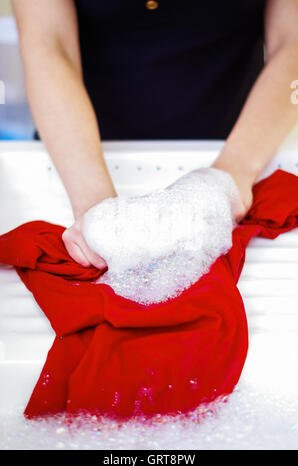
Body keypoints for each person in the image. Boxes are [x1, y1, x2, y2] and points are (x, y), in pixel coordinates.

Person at [12, 0, 298, 270]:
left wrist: (231, 174)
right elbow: (49, 44)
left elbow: (293, 45)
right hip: (74, 153)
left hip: (242, 144)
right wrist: (97, 212)